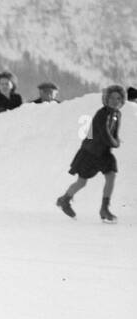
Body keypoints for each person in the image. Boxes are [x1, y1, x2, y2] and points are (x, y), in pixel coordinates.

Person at [56, 85, 124, 223]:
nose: (115, 101)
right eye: (111, 98)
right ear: (106, 99)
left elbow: (114, 134)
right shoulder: (101, 114)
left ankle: (104, 208)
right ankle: (65, 199)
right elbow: (105, 134)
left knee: (111, 176)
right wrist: (115, 143)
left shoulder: (117, 114)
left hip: (104, 152)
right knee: (81, 182)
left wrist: (116, 141)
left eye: (118, 98)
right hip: (90, 152)